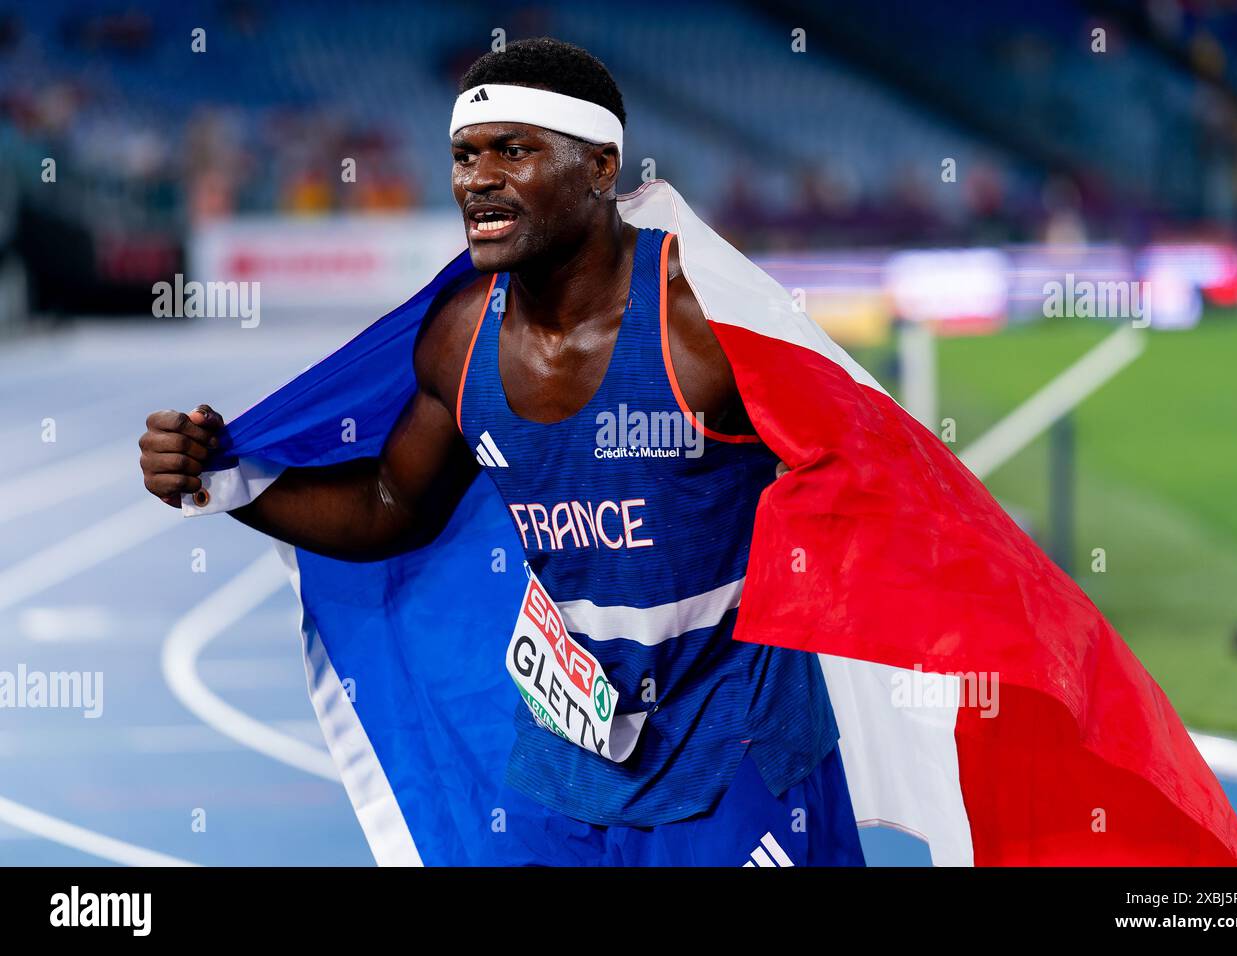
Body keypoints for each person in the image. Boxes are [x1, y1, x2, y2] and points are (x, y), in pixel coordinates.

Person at [139, 37, 864, 867]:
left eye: (512, 151)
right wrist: (225, 482)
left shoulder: (706, 329)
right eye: (463, 156)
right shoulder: (460, 340)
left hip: (737, 749)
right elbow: (390, 504)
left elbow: (864, 479)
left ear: (599, 168)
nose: (476, 179)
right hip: (571, 754)